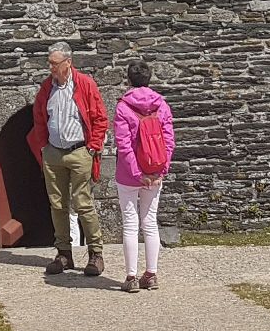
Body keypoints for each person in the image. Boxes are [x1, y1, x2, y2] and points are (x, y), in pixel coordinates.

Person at [26, 44, 108, 277]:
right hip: (53, 152)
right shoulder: (46, 88)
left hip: (79, 151)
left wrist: (93, 148)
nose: (50, 67)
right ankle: (64, 253)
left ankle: (95, 253)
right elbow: (39, 117)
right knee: (57, 204)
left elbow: (100, 118)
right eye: (50, 63)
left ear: (68, 63)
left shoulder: (85, 84)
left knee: (83, 203)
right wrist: (44, 147)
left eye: (54, 63)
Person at [111, 60, 174, 293]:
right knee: (149, 222)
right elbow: (169, 141)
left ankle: (131, 277)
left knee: (130, 223)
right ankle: (152, 274)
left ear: (128, 79)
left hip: (129, 174)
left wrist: (136, 173)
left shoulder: (123, 107)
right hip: (155, 171)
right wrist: (161, 170)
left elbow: (124, 145)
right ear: (149, 78)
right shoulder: (162, 105)